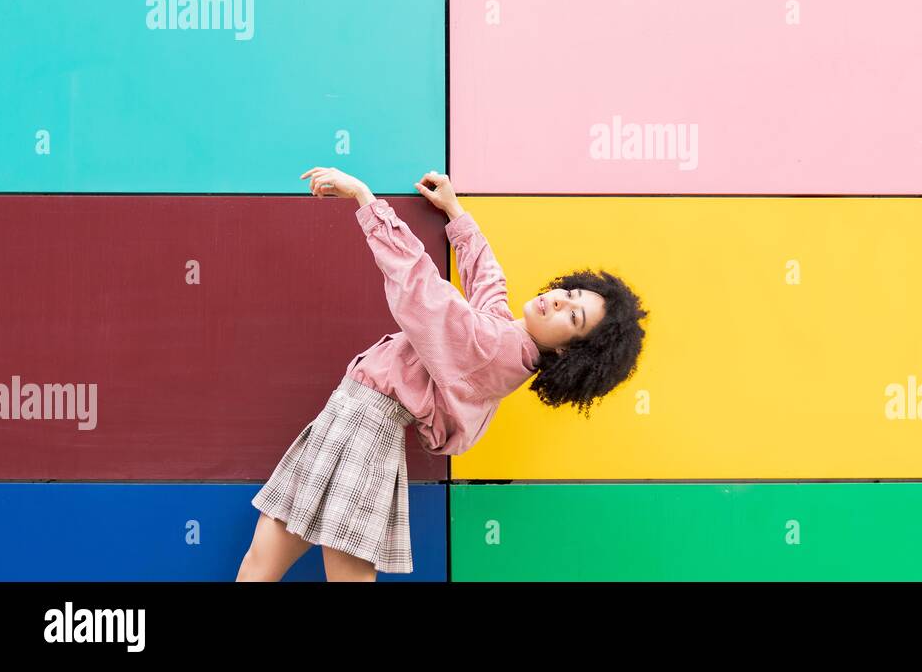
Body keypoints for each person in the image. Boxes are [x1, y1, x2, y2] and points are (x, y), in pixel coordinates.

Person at [236, 167, 648, 581]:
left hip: (365, 430)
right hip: (348, 421)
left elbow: (424, 293)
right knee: (262, 558)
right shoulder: (506, 340)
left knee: (313, 569)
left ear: (566, 352)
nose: (558, 301)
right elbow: (488, 283)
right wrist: (455, 212)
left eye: (572, 316)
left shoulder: (494, 348)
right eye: (570, 293)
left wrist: (366, 200)